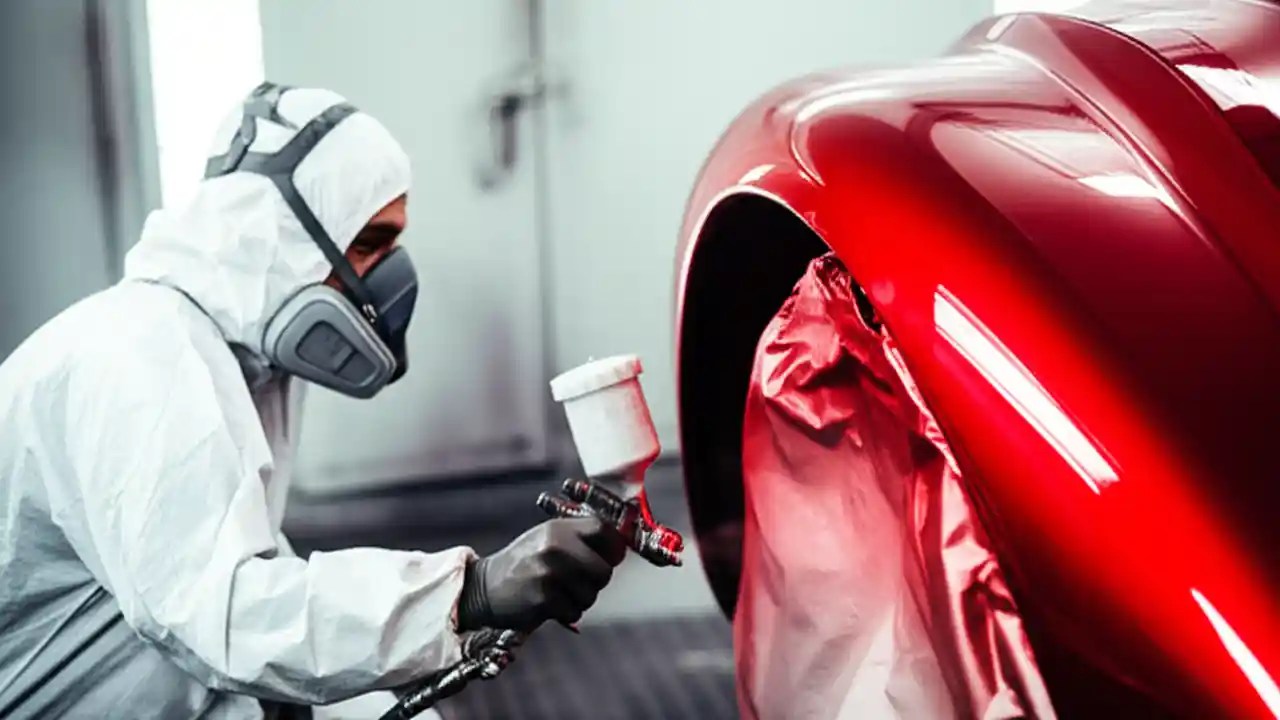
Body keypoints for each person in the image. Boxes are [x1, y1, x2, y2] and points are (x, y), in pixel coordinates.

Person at [0, 83, 624, 719]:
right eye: (369, 244)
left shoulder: (240, 359)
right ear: (281, 240)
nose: (385, 279)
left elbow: (250, 562)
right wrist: (468, 594)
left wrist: (422, 637)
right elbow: (226, 612)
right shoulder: (138, 358)